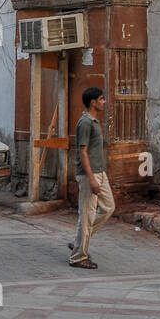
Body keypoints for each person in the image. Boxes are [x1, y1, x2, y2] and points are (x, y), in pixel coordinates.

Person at [69, 87, 114, 269]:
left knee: (109, 207)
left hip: (99, 172)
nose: (104, 102)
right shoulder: (85, 122)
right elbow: (82, 152)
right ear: (93, 102)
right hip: (90, 175)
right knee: (87, 215)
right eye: (101, 99)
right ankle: (78, 257)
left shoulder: (95, 121)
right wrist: (92, 179)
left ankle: (80, 242)